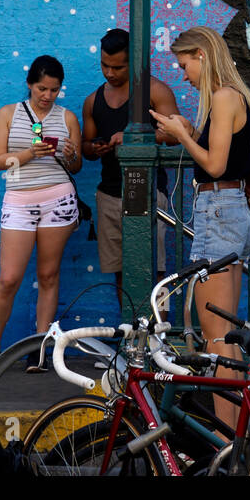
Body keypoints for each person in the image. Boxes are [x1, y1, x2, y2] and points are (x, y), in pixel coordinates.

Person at [149, 27, 250, 429]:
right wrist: (186, 134)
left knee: (216, 341)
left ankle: (227, 437)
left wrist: (181, 134)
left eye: (184, 65)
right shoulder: (232, 96)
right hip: (230, 210)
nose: (183, 75)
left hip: (218, 209)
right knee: (226, 338)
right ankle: (236, 434)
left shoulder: (223, 97)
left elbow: (213, 166)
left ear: (200, 55)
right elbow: (220, 155)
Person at [0, 55, 83, 373]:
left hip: (58, 199)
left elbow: (77, 167)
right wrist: (28, 154)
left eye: (54, 89)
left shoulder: (68, 118)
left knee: (48, 276)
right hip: (19, 201)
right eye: (41, 88)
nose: (47, 95)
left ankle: (40, 349)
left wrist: (71, 154)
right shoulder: (9, 114)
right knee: (9, 278)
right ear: (29, 84)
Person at [81, 28, 180, 306]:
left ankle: (159, 339)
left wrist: (135, 137)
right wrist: (94, 147)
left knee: (155, 269)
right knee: (121, 273)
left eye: (117, 67)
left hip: (149, 192)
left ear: (134, 62)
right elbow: (86, 148)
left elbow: (176, 134)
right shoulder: (92, 101)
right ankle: (133, 340)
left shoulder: (155, 91)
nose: (109, 73)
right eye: (104, 65)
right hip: (109, 194)